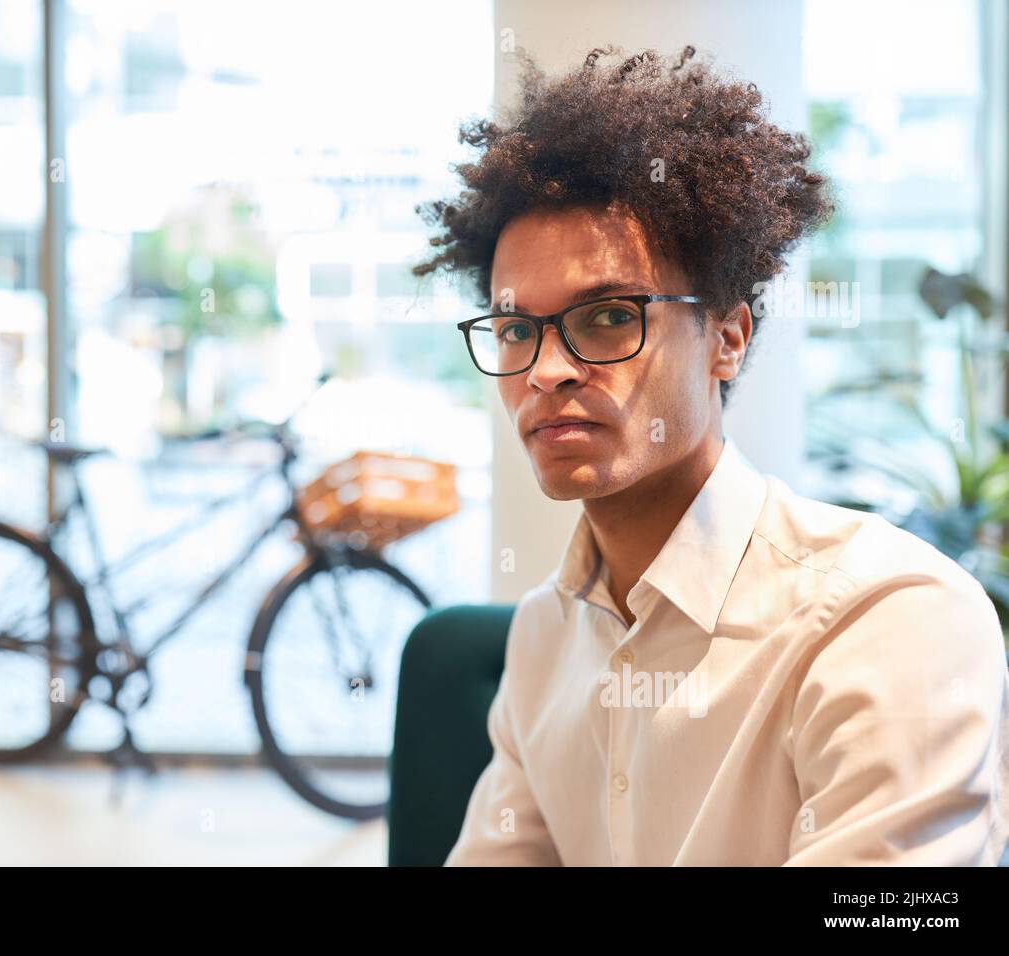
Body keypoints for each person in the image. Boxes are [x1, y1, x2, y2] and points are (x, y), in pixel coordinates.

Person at [411, 45, 1009, 866]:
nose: (546, 370)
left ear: (726, 338)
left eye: (609, 317)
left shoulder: (889, 616)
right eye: (516, 329)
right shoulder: (545, 637)